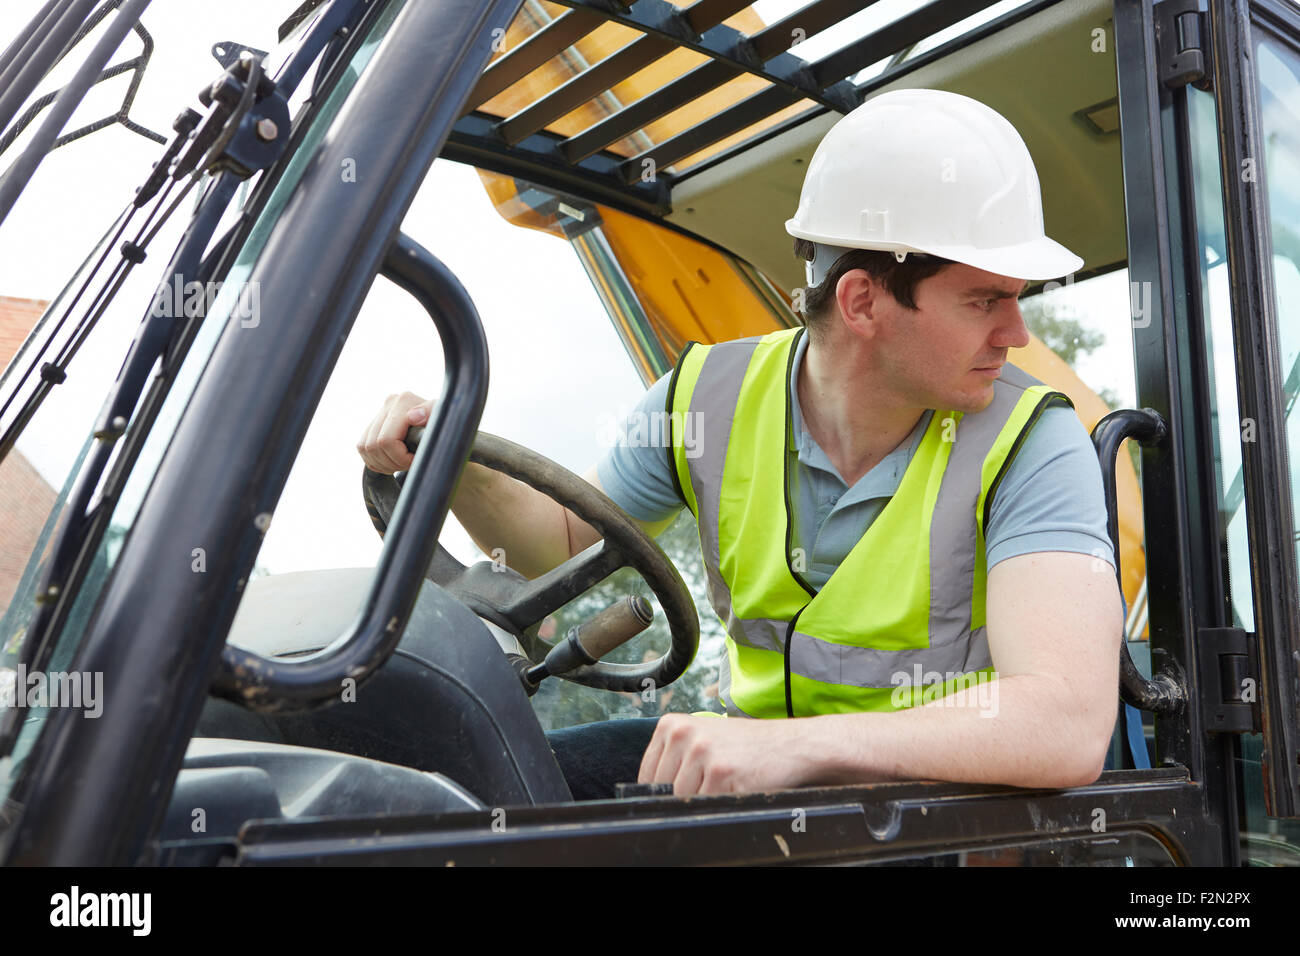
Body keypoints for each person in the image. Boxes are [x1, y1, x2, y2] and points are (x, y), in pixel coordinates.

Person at [357, 89, 1123, 801]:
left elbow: (1064, 723)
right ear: (863, 301)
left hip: (941, 802)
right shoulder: (706, 398)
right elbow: (552, 549)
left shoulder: (1034, 439)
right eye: (985, 301)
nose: (1016, 335)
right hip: (765, 765)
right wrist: (453, 462)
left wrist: (803, 748)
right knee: (486, 788)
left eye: (1012, 301)